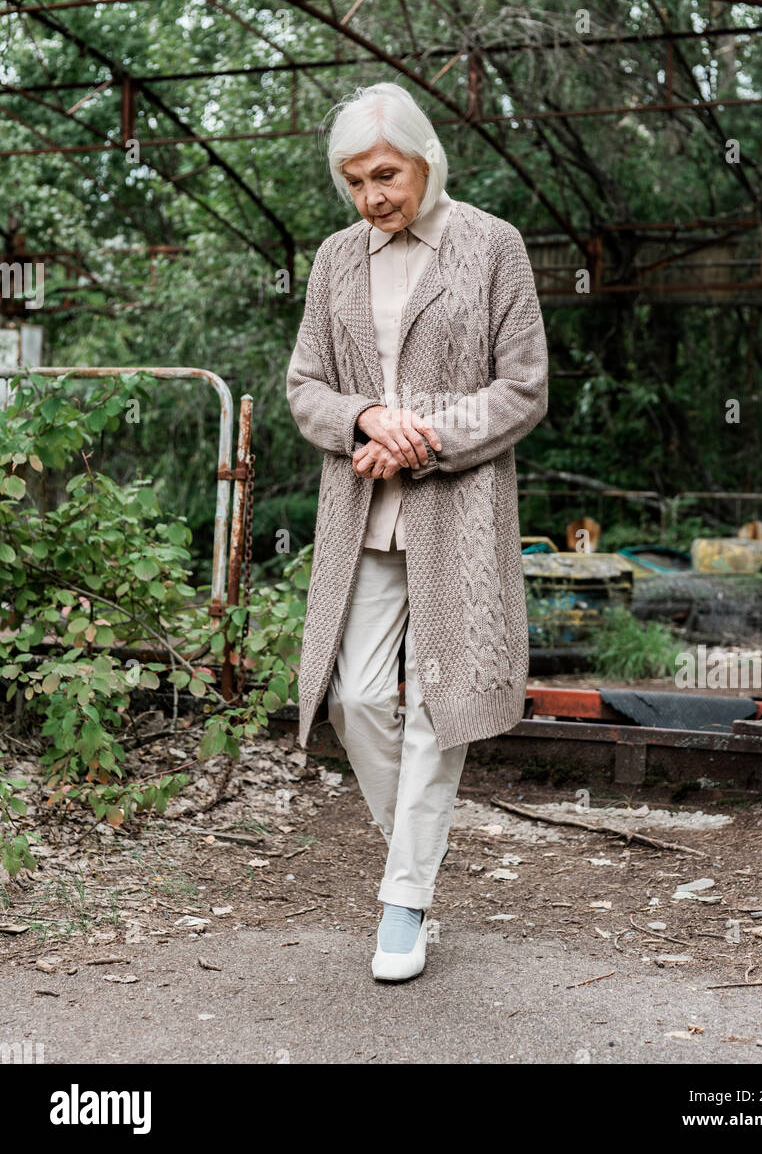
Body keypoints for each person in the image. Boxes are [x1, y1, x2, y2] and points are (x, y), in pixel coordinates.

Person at [285, 81, 548, 981]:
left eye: (385, 176)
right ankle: (419, 861)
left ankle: (404, 902)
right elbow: (305, 386)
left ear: (426, 160)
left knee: (441, 703)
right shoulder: (334, 259)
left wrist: (422, 436)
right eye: (355, 182)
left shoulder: (492, 245)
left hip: (457, 512)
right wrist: (364, 417)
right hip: (361, 512)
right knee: (355, 698)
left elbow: (522, 388)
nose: (371, 197)